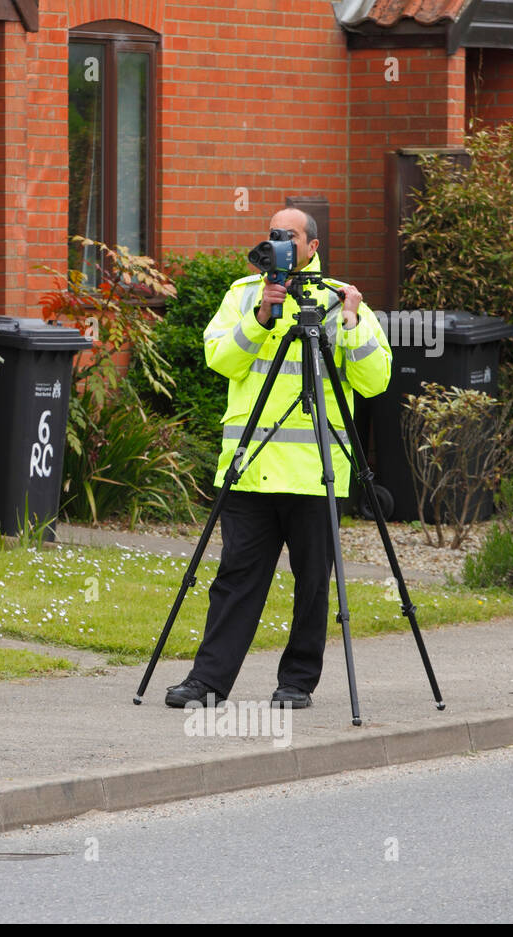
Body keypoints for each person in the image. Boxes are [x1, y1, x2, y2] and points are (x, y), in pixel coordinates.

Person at [164, 208, 392, 709]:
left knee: (313, 586)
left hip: (316, 474)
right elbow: (219, 359)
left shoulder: (340, 298)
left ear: (312, 246)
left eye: (288, 237)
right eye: (272, 235)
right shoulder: (245, 293)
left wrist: (351, 321)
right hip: (251, 469)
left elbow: (375, 380)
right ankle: (207, 683)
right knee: (234, 582)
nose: (278, 244)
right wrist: (262, 316)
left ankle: (296, 683)